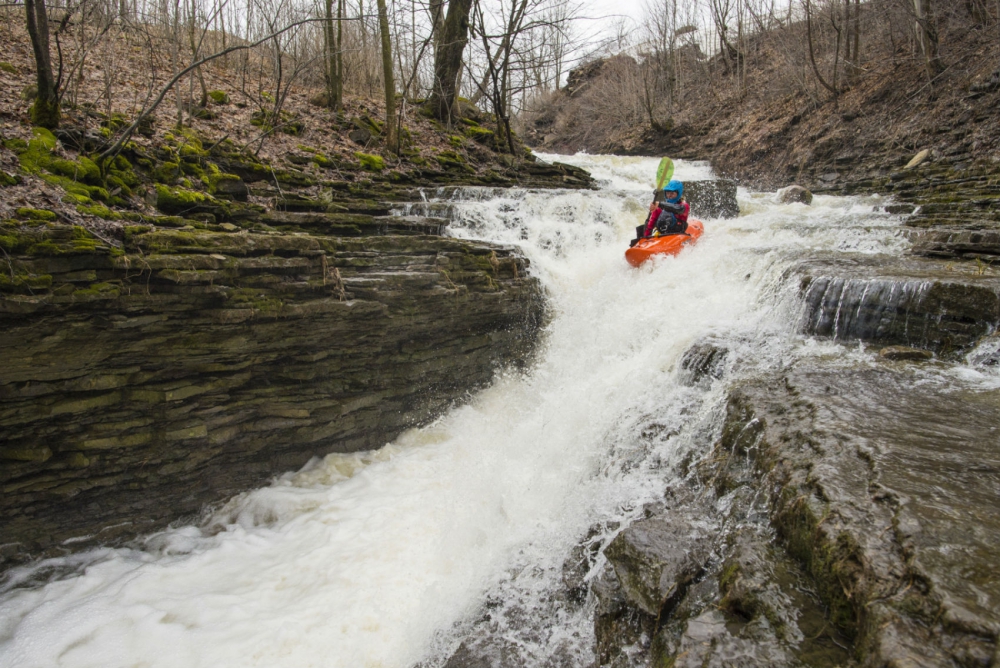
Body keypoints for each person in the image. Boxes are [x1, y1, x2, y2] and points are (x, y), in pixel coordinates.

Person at [630, 180, 690, 247]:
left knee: (668, 213)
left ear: (678, 194)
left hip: (677, 234)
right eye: (667, 193)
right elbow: (650, 225)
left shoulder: (684, 206)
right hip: (662, 235)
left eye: (672, 193)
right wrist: (646, 238)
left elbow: (678, 209)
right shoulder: (659, 208)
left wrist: (659, 204)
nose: (669, 196)